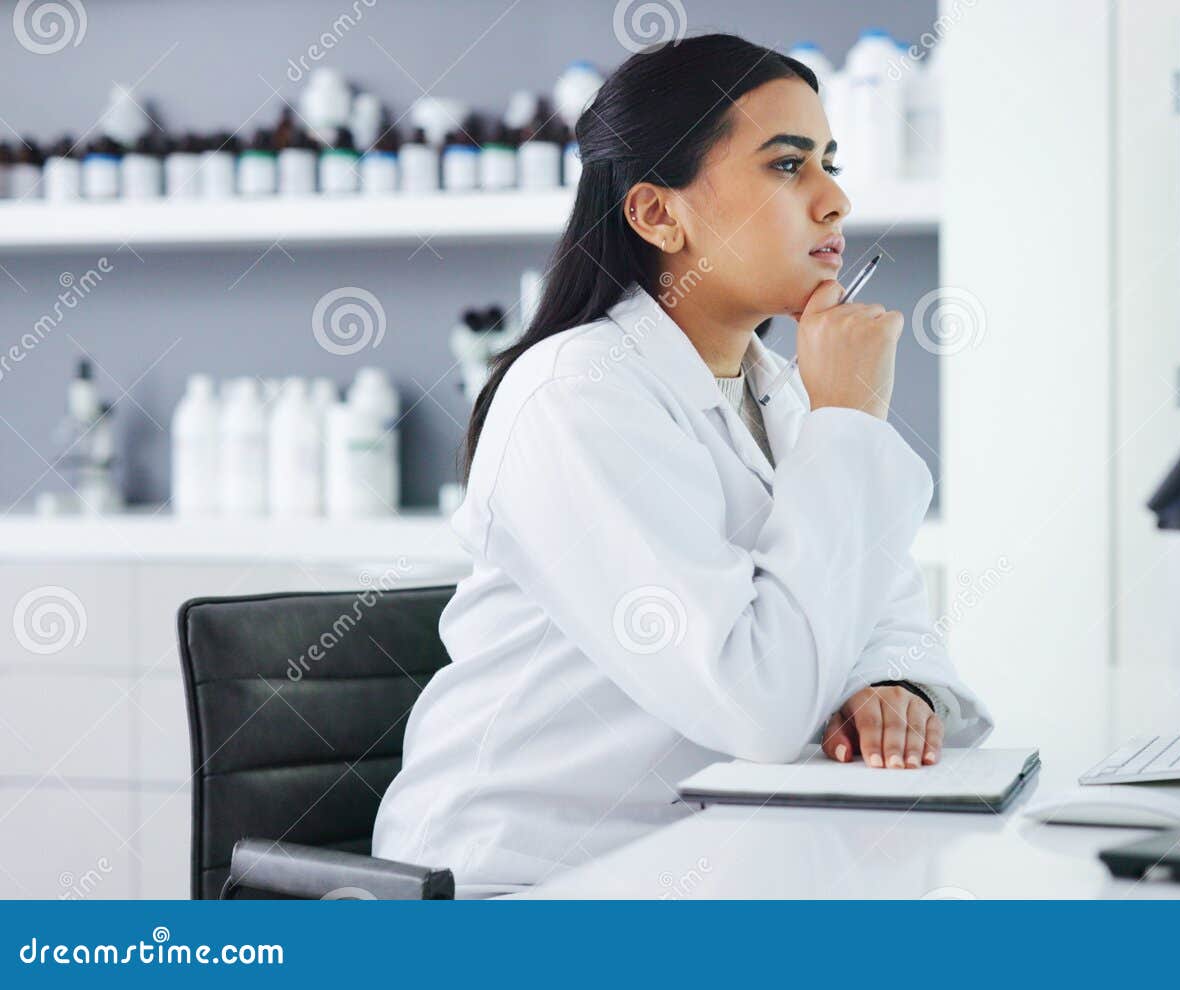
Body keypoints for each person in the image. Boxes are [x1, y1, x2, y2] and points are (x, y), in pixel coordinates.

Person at [371, 33, 993, 895]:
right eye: (787, 166)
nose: (835, 200)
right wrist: (851, 423)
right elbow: (760, 704)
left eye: (830, 163)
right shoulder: (576, 396)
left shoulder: (782, 391)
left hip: (701, 865)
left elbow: (881, 605)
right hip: (520, 886)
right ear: (658, 214)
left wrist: (890, 687)